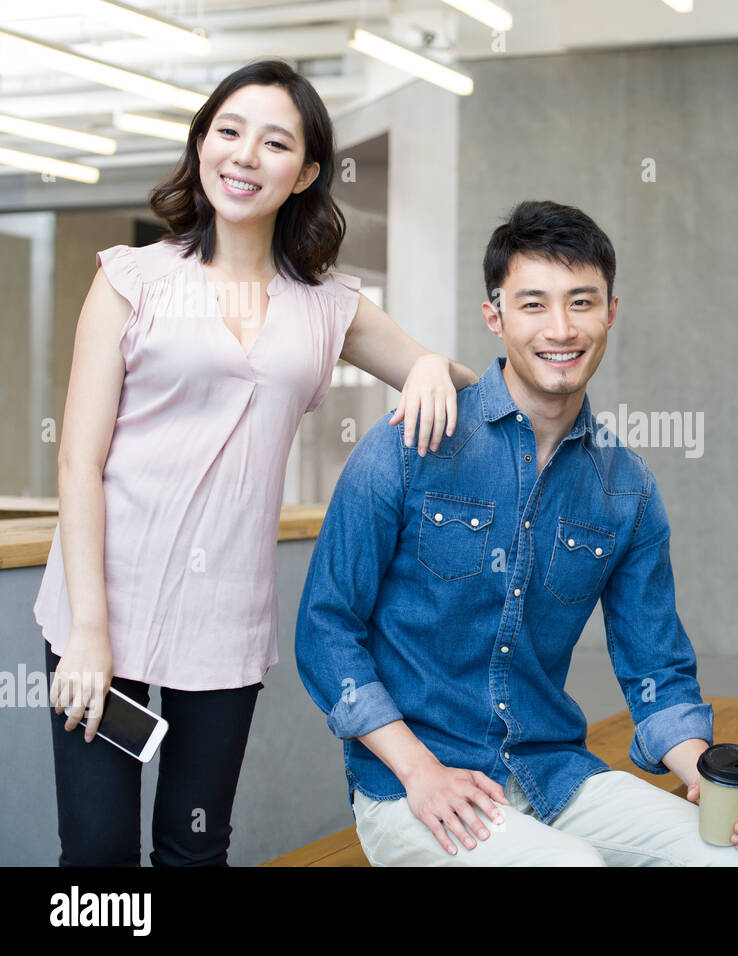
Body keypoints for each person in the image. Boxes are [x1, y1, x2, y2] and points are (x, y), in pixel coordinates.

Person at [34, 58, 476, 867]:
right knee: (97, 856)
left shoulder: (328, 305)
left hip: (224, 617)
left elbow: (456, 385)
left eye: (274, 143)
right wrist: (89, 635)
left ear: (306, 171)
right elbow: (78, 464)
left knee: (195, 848)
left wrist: (425, 363)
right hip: (102, 602)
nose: (244, 156)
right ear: (201, 143)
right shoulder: (132, 280)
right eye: (228, 132)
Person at [296, 200, 738, 866]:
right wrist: (418, 772)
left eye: (582, 303)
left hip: (551, 769)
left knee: (736, 858)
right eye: (533, 305)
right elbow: (326, 629)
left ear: (610, 313)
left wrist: (701, 766)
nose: (560, 328)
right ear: (495, 317)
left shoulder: (625, 488)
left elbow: (655, 666)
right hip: (415, 784)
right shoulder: (410, 442)